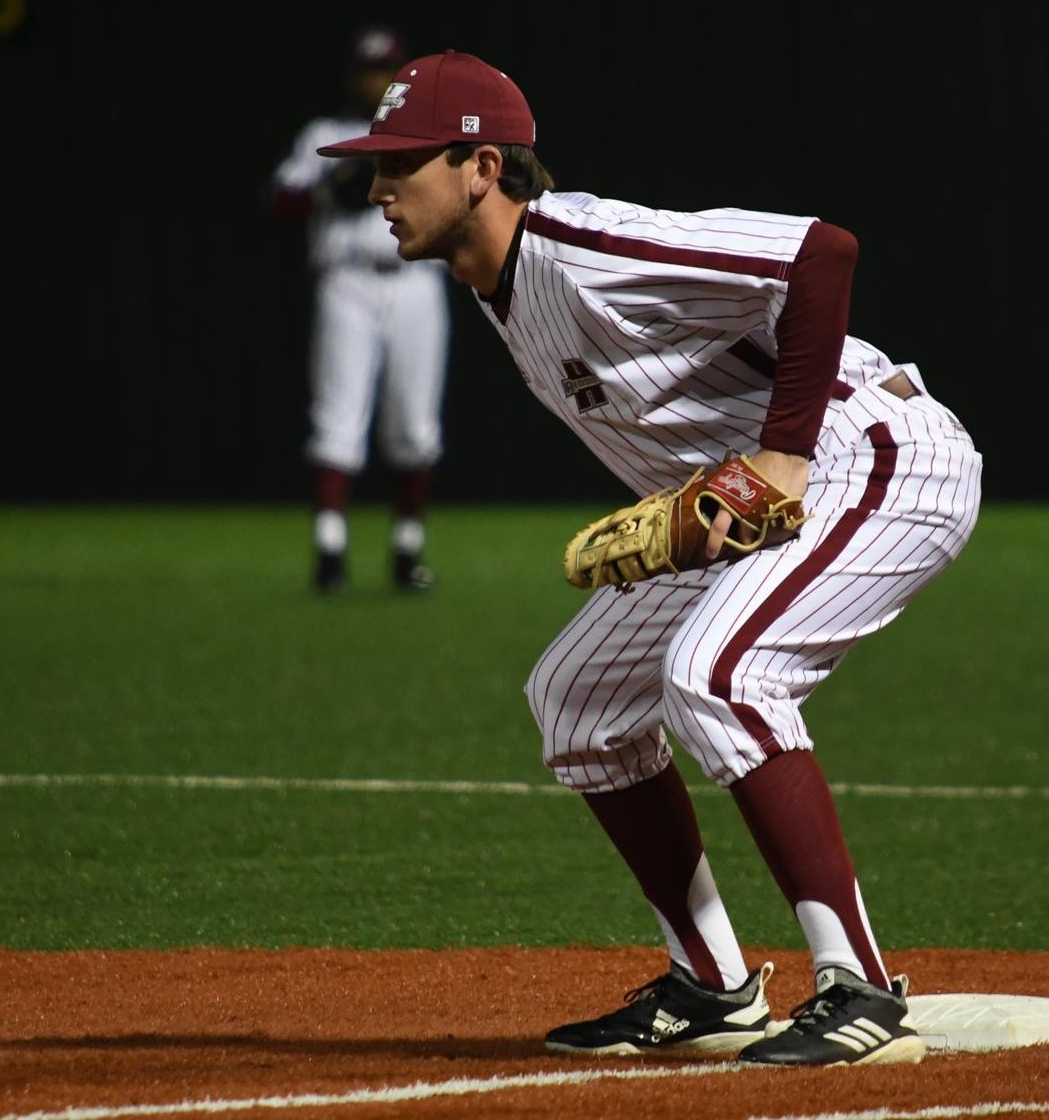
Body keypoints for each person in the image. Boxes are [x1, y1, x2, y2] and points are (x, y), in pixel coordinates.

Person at [316, 50, 982, 1066]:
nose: (378, 188)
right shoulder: (494, 286)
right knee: (576, 700)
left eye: (402, 163)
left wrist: (782, 454)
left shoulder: (581, 246)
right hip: (758, 504)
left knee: (719, 673)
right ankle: (712, 986)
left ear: (482, 167)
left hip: (878, 455)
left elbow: (821, 254)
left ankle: (860, 989)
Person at [270, 25, 451, 593]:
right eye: (368, 71)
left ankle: (407, 551)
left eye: (384, 71)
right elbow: (279, 201)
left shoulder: (425, 136)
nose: (375, 81)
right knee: (337, 417)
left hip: (415, 282)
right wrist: (329, 183)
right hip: (346, 282)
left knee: (415, 424)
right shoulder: (324, 135)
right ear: (352, 76)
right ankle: (330, 551)